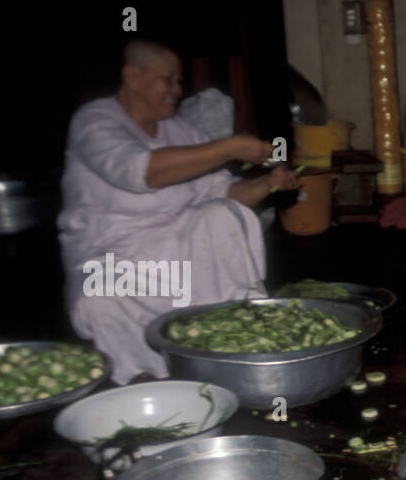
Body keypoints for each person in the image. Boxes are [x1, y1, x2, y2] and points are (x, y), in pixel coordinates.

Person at [58, 39, 298, 384]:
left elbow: (222, 192)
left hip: (173, 256)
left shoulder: (181, 130)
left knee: (221, 215)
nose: (177, 90)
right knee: (102, 298)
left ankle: (237, 343)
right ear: (133, 77)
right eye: (167, 80)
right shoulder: (94, 122)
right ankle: (145, 382)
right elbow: (141, 171)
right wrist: (229, 146)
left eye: (179, 81)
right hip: (112, 262)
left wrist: (269, 183)